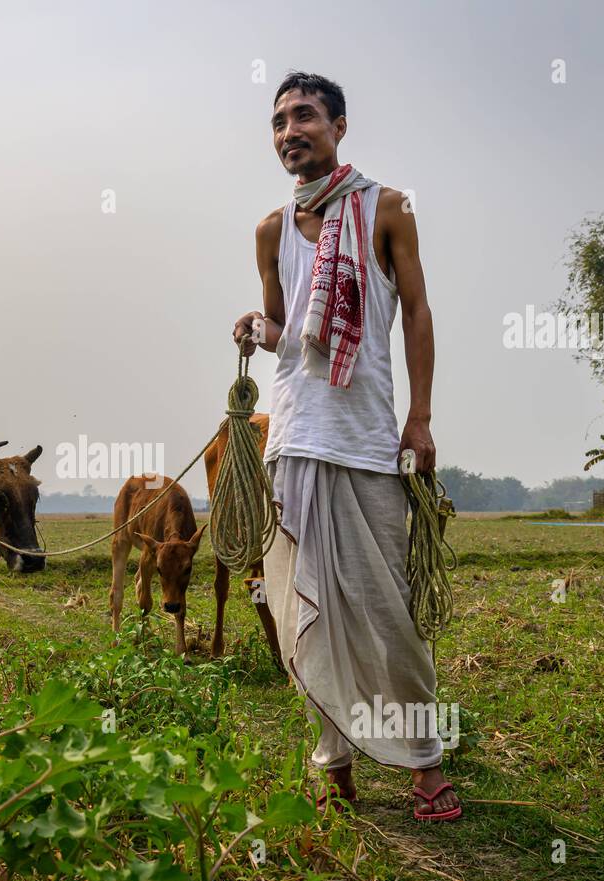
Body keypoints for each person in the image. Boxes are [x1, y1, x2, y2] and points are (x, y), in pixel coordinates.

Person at [233, 71, 461, 822]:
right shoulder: (270, 229)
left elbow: (419, 313)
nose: (289, 131)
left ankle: (425, 766)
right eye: (278, 122)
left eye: (304, 116)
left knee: (385, 610)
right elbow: (281, 330)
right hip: (292, 440)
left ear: (339, 127)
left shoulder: (385, 208)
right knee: (305, 615)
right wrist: (252, 330)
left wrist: (419, 418)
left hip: (365, 442)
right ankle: (333, 763)